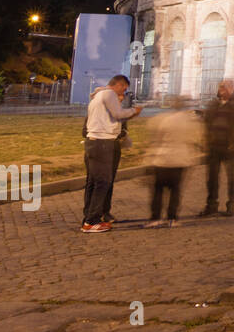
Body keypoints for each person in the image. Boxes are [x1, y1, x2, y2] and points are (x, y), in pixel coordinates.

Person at [82, 76, 143, 233]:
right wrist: (134, 111)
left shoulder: (98, 96)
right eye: (124, 88)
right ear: (119, 85)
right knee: (103, 182)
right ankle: (91, 221)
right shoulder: (109, 94)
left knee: (94, 182)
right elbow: (118, 114)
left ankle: (88, 217)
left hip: (94, 142)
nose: (123, 92)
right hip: (103, 142)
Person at [143, 96, 201, 228]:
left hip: (163, 158)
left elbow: (156, 138)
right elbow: (195, 139)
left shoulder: (164, 120)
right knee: (176, 190)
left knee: (158, 190)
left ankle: (156, 217)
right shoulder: (190, 121)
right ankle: (172, 217)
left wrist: (150, 156)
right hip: (181, 159)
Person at [199, 80, 234, 217]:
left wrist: (233, 143)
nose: (221, 90)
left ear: (230, 90)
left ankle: (231, 205)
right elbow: (207, 123)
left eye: (224, 87)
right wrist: (206, 140)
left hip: (229, 148)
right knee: (212, 178)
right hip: (213, 146)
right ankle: (211, 205)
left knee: (232, 178)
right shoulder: (213, 105)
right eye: (220, 87)